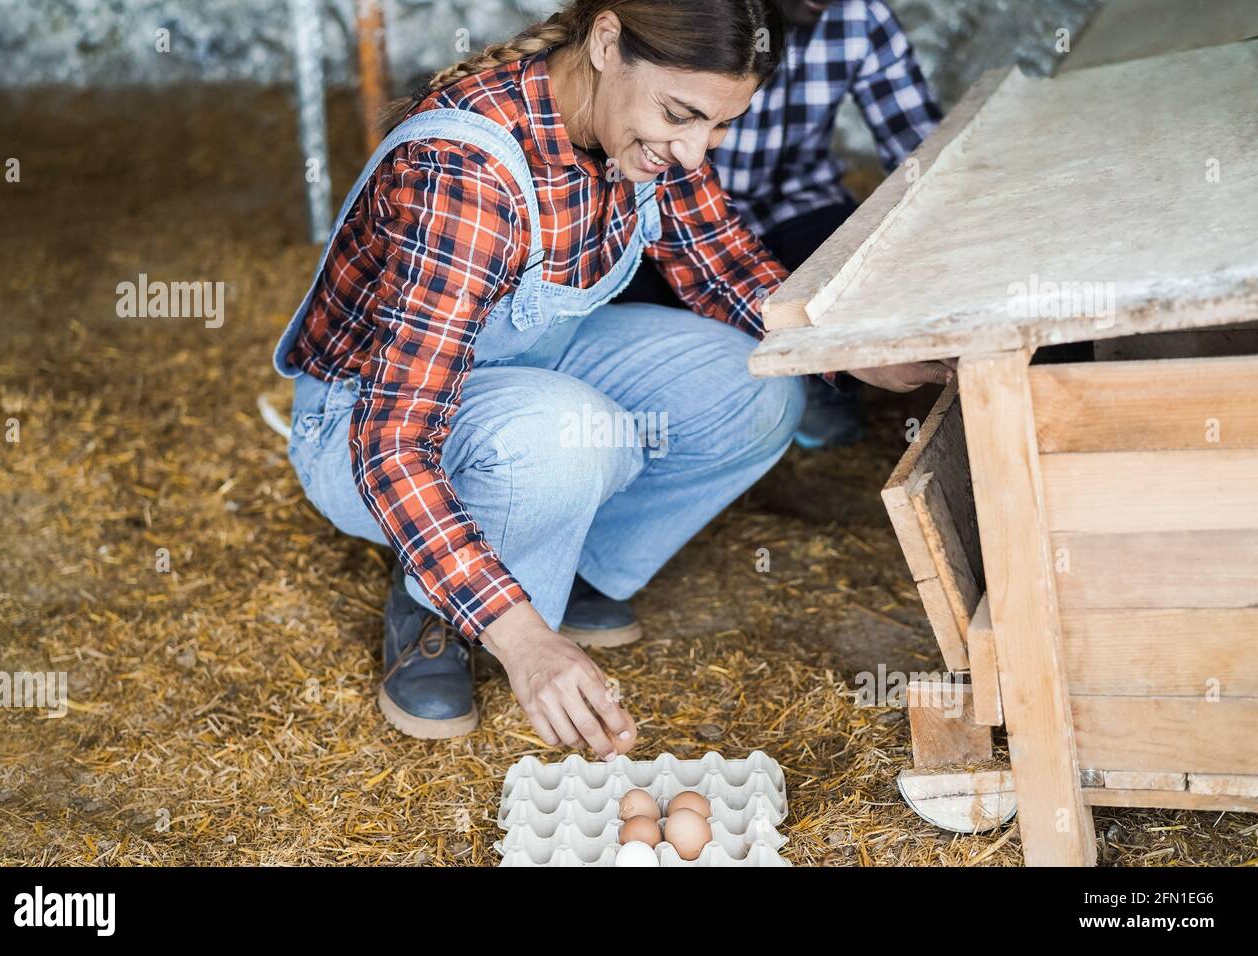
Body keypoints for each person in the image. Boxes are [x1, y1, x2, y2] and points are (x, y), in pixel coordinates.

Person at [272, 0, 953, 753]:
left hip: (518, 366)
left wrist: (848, 348)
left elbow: (721, 263)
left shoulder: (640, 128)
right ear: (604, 42)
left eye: (719, 127)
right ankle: (441, 606)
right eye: (682, 115)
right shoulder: (467, 171)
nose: (697, 152)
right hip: (361, 429)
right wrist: (526, 644)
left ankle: (569, 569)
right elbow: (393, 443)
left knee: (758, 387)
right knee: (563, 436)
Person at [617, 0, 943, 450]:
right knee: (633, 284)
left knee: (849, 265)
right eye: (682, 115)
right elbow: (709, 249)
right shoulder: (691, 19)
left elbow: (921, 152)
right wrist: (838, 347)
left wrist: (845, 348)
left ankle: (809, 376)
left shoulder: (861, 19)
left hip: (789, 205)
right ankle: (689, 380)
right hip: (676, 218)